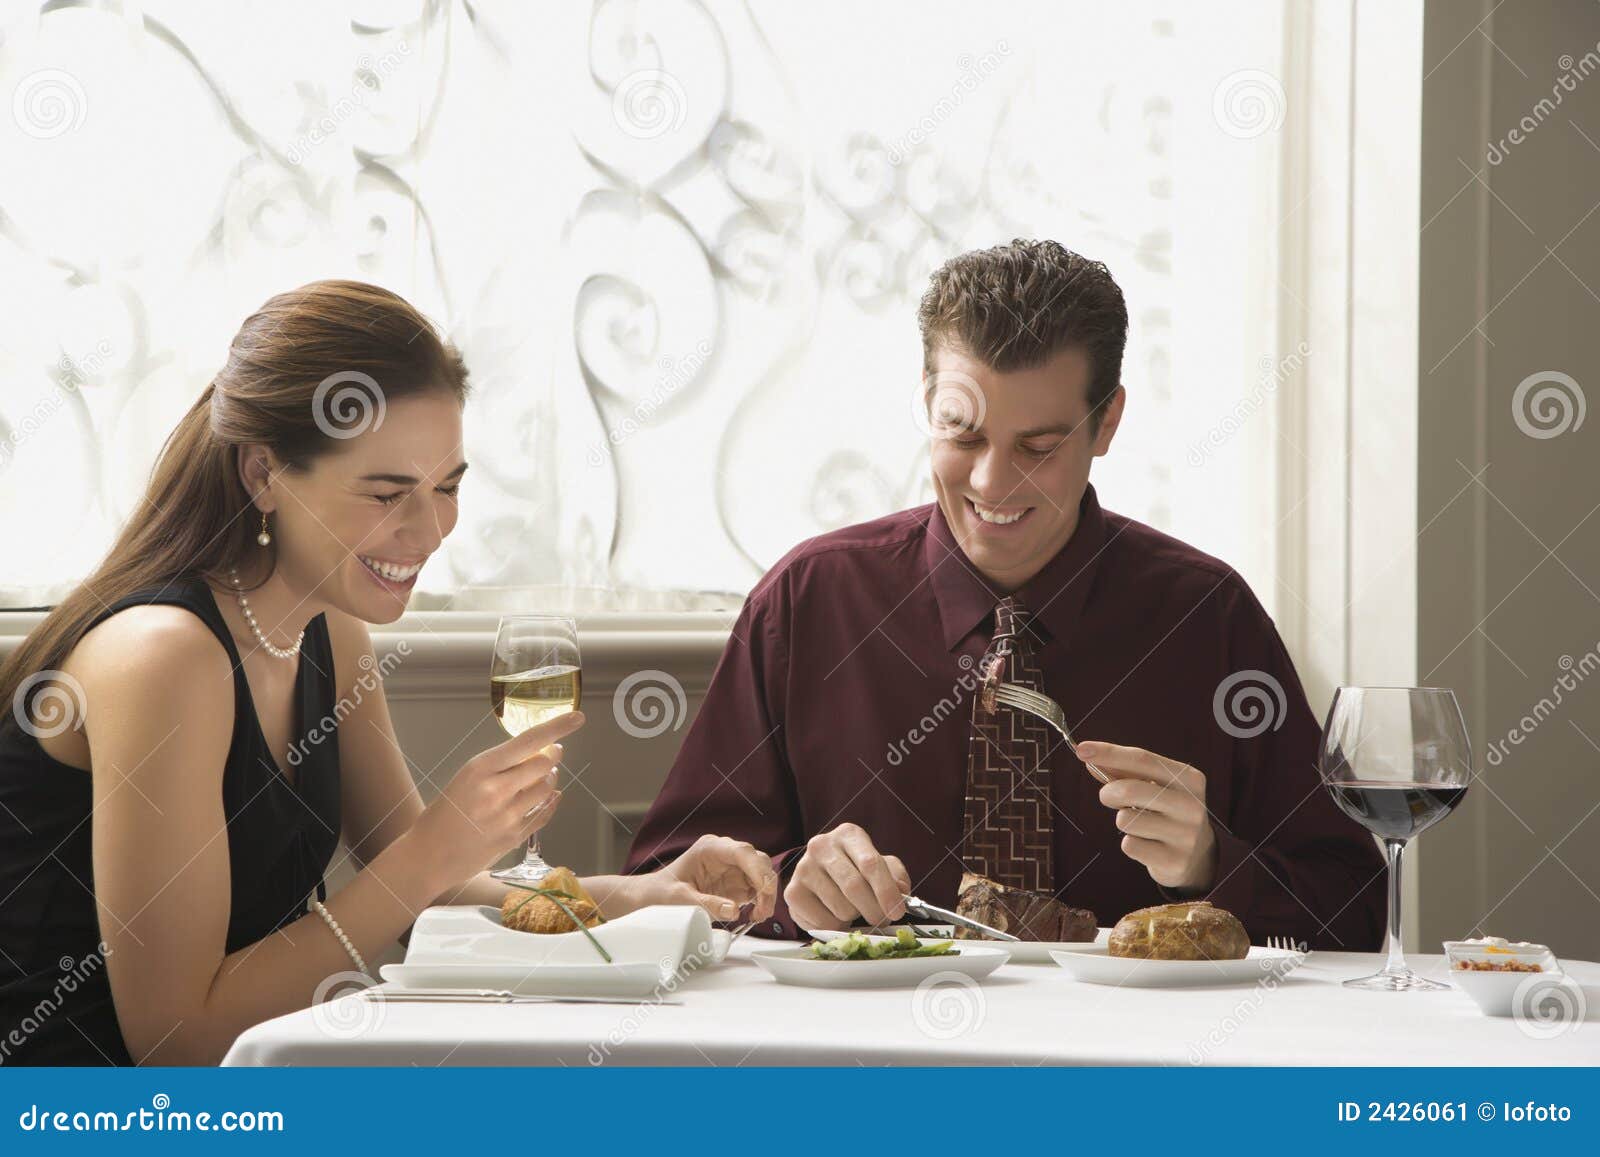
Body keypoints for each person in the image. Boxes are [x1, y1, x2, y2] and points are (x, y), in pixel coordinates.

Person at [0, 281, 775, 1066]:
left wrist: (636, 895)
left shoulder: (329, 632)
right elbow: (177, 1043)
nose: (431, 526)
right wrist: (433, 850)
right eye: (386, 492)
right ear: (263, 473)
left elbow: (428, 890)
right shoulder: (164, 656)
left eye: (448, 486)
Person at [625, 239, 1384, 950]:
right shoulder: (805, 603)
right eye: (964, 435)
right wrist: (792, 889)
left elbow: (1354, 908)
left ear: (1107, 422)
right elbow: (659, 885)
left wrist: (1216, 863)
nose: (992, 483)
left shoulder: (1207, 617)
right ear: (929, 401)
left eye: (1038, 447)